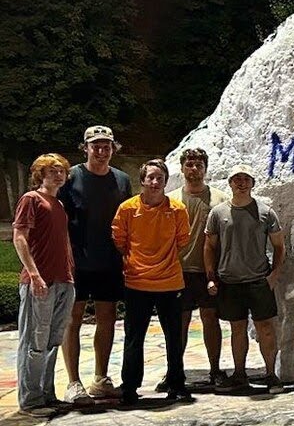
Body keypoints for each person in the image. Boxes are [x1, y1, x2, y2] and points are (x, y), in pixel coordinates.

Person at [59, 125, 132, 402]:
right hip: (77, 261)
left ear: (113, 149)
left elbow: (127, 219)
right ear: (86, 147)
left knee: (107, 318)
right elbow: (61, 220)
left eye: (106, 146)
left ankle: (100, 378)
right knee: (72, 319)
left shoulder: (122, 180)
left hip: (110, 260)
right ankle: (73, 381)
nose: (101, 151)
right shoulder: (71, 177)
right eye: (96, 146)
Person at [112, 160, 191, 404]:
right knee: (134, 337)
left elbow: (182, 240)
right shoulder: (127, 209)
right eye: (151, 178)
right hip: (137, 282)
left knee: (174, 337)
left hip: (170, 282)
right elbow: (119, 239)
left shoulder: (177, 210)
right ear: (142, 181)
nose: (155, 183)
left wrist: (162, 261)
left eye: (160, 178)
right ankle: (130, 387)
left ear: (166, 182)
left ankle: (176, 383)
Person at [204, 164, 287, 393]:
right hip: (229, 280)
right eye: (236, 178)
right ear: (230, 183)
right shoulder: (218, 213)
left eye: (246, 178)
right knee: (237, 328)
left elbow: (279, 246)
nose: (241, 183)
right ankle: (239, 374)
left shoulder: (265, 212)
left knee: (265, 328)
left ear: (252, 183)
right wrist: (211, 276)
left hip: (258, 279)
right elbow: (209, 246)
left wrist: (274, 275)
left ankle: (271, 374)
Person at [157, 148, 229, 391]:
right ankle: (174, 371)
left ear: (205, 168)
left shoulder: (220, 199)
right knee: (179, 322)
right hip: (178, 269)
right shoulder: (171, 199)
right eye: (189, 164)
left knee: (210, 319)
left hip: (209, 271)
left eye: (199, 164)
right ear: (182, 167)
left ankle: (216, 370)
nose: (194, 169)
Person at [12, 154, 76, 417]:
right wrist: (34, 275)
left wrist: (70, 272)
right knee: (34, 342)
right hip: (40, 281)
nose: (58, 175)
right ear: (40, 174)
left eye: (61, 170)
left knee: (52, 340)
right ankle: (31, 400)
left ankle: (47, 393)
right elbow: (20, 237)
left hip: (63, 280)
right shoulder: (31, 199)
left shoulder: (58, 204)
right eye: (52, 171)